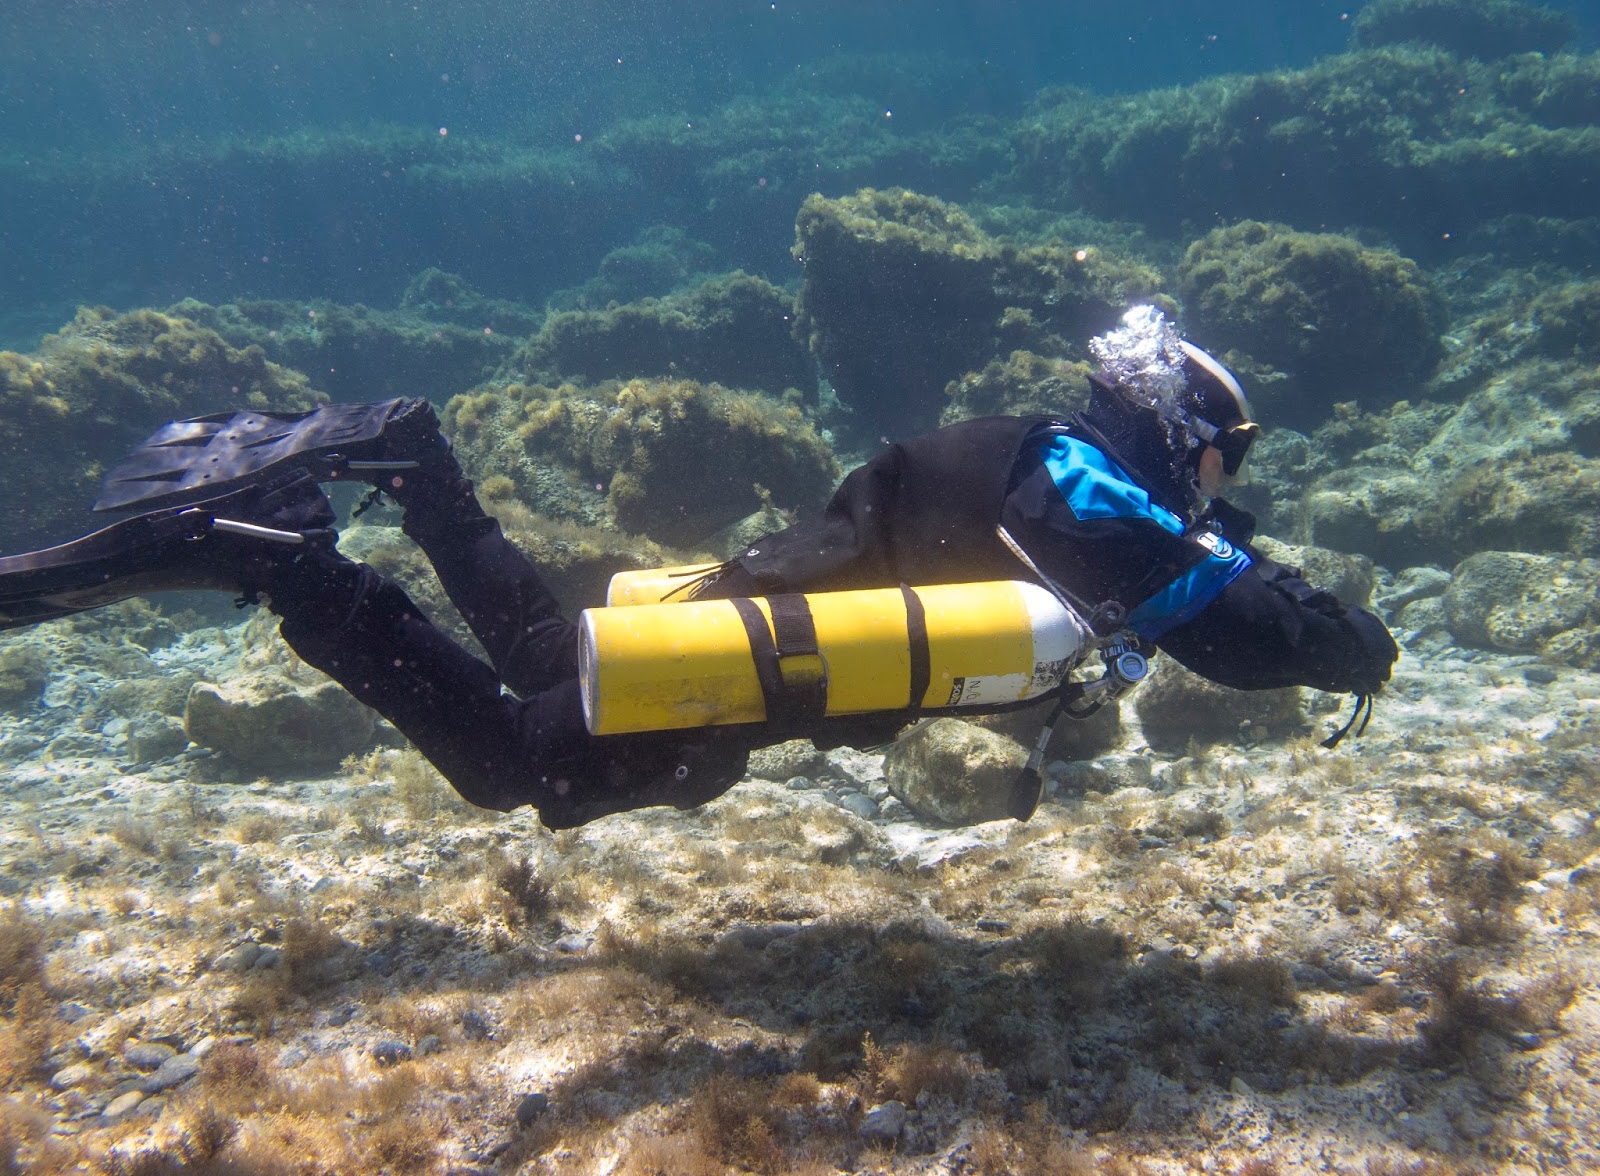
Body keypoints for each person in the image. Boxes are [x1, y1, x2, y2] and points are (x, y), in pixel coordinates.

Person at [0, 307, 1397, 828]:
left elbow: (1206, 569)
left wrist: (1248, 567)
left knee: (551, 666)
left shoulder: (1052, 460)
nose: (1225, 490)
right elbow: (1234, 624)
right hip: (764, 662)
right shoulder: (1086, 491)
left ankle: (418, 468)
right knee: (519, 763)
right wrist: (1358, 648)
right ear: (1183, 432)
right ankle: (278, 560)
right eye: (1226, 461)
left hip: (770, 619)